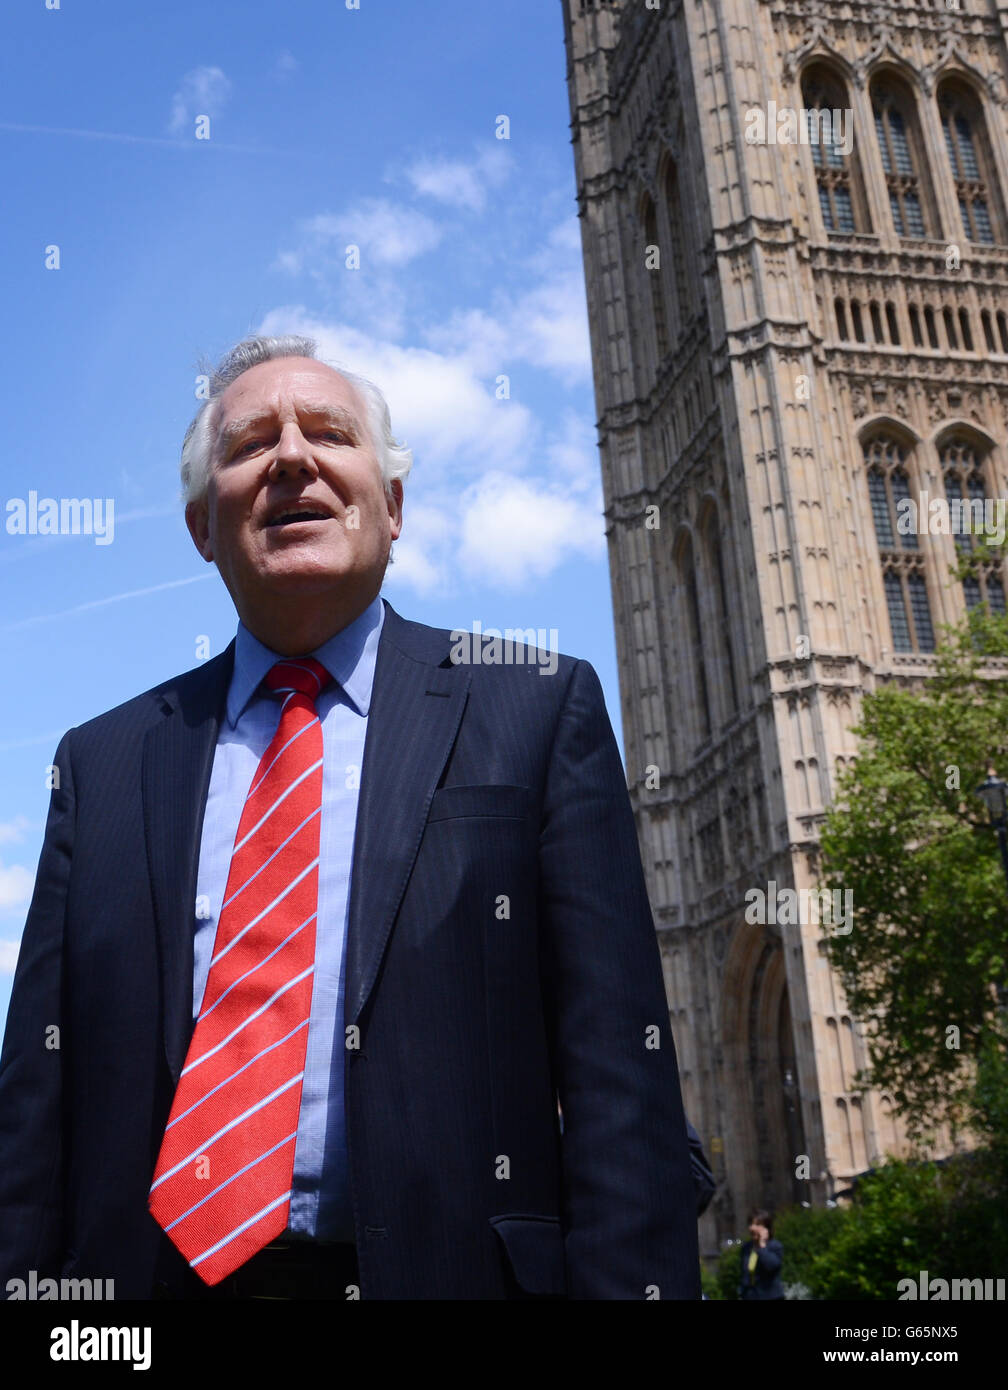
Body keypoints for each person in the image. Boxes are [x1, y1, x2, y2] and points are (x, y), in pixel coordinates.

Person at [0, 334, 700, 1301]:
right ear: (204, 526)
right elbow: (35, 1107)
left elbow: (623, 1081)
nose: (292, 456)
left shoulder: (536, 706)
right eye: (250, 445)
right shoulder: (101, 762)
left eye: (329, 433)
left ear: (394, 506)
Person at [738, 1209, 784, 1300]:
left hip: (771, 1296)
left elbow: (772, 1266)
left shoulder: (774, 1246)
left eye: (757, 1224)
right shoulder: (746, 1247)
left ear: (766, 1228)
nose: (752, 1228)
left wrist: (762, 1246)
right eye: (751, 1224)